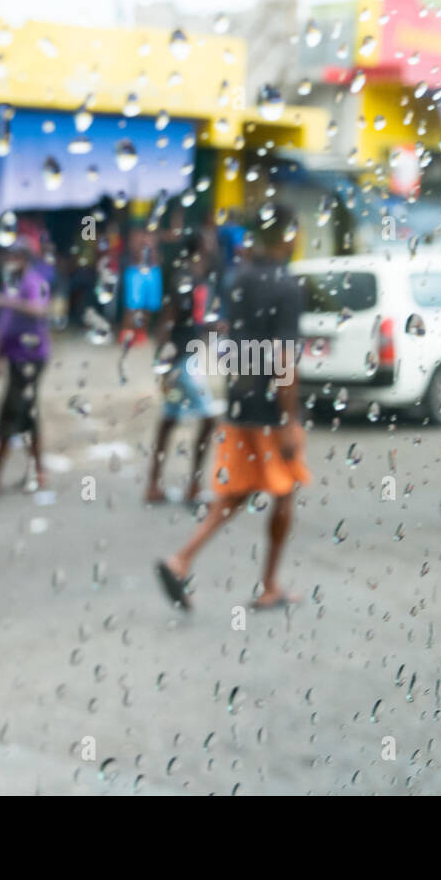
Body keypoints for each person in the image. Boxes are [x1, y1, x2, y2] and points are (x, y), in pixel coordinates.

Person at [154, 204, 309, 611]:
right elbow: (282, 357)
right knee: (284, 492)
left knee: (237, 493)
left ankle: (180, 561)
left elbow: (230, 340)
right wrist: (290, 420)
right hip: (272, 408)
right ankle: (269, 585)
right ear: (288, 236)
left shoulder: (237, 278)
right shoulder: (287, 286)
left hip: (240, 401)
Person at [145, 231, 221, 505]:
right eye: (209, 240)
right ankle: (193, 487)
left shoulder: (199, 279)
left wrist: (215, 328)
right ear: (199, 247)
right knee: (209, 418)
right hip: (181, 362)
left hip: (187, 357)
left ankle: (154, 485)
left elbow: (196, 320)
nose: (214, 244)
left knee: (169, 420)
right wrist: (162, 366)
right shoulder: (184, 280)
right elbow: (167, 321)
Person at [0, 238, 51, 495]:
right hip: (14, 357)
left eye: (14, 256)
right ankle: (37, 471)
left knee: (10, 415)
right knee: (26, 415)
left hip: (30, 359)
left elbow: (39, 310)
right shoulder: (11, 284)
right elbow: (5, 325)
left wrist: (7, 301)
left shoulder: (34, 282)